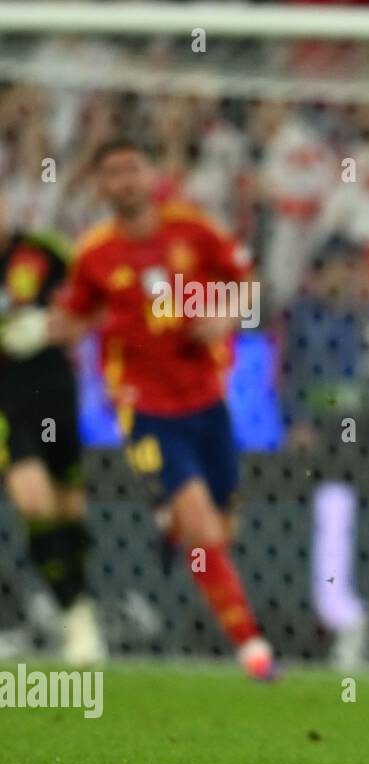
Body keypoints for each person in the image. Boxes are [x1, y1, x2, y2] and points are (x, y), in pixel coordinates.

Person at [0, 139, 277, 680]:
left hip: (206, 398)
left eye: (131, 170)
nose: (123, 182)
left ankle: (172, 524)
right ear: (101, 187)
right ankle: (252, 648)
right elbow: (75, 318)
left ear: (151, 174)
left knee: (221, 527)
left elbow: (247, 287)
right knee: (201, 524)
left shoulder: (193, 231)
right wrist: (35, 329)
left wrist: (223, 316)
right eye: (111, 174)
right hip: (142, 408)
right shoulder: (94, 253)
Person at [0, 196, 102, 663]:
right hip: (4, 403)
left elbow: (92, 307)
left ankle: (73, 608)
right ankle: (72, 618)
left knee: (68, 514)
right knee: (34, 501)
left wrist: (58, 326)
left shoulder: (46, 252)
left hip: (53, 395)